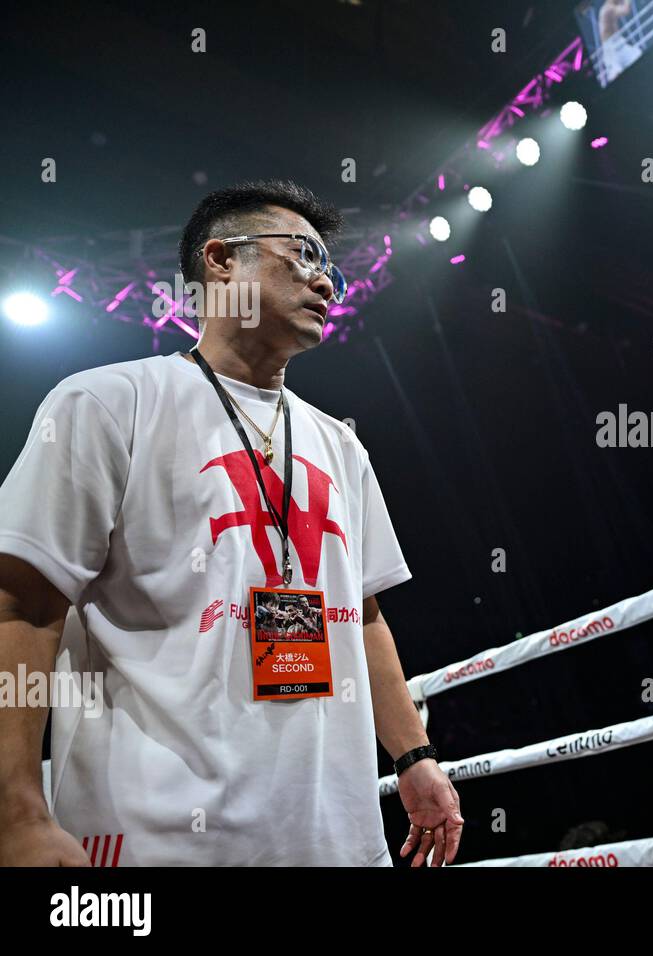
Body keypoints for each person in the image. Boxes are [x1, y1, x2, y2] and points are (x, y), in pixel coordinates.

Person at [0, 180, 462, 867]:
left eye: (331, 269)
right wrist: (16, 814)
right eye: (303, 255)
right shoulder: (105, 404)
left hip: (336, 836)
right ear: (221, 261)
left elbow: (360, 614)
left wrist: (414, 757)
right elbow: (23, 602)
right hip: (151, 839)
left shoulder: (339, 442)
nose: (327, 283)